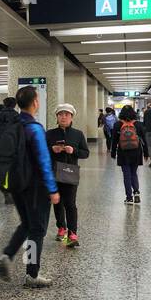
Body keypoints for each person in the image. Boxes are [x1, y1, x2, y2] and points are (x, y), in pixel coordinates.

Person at [0, 84, 60, 288]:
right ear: (35, 103)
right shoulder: (34, 128)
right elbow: (43, 161)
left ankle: (7, 255)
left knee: (26, 224)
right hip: (35, 189)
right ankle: (32, 274)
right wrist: (52, 189)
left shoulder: (14, 125)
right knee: (37, 230)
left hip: (17, 185)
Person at [46, 103, 88, 247]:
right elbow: (42, 152)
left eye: (67, 114)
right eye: (60, 114)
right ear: (56, 118)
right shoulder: (49, 134)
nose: (63, 117)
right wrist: (52, 149)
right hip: (53, 172)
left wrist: (73, 151)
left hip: (70, 172)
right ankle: (61, 227)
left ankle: (72, 233)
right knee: (57, 202)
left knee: (70, 203)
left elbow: (85, 153)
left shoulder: (78, 134)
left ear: (72, 117)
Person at [114, 104, 148, 204]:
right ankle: (136, 192)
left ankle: (129, 198)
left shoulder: (118, 124)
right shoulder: (139, 124)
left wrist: (112, 153)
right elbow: (144, 140)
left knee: (126, 175)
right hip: (136, 152)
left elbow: (114, 141)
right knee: (134, 173)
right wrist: (146, 153)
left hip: (123, 152)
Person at [0, 95, 19, 203]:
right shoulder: (17, 116)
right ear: (15, 105)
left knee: (1, 171)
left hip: (0, 148)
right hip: (13, 148)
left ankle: (5, 191)